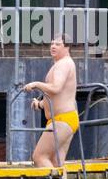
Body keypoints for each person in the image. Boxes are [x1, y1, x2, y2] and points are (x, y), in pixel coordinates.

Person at [23, 35, 78, 168]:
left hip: (62, 120)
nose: (53, 46)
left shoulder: (63, 64)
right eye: (52, 43)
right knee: (56, 163)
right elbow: (58, 95)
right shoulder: (63, 63)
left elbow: (56, 88)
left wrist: (36, 84)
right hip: (65, 119)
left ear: (67, 47)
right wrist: (41, 104)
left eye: (58, 44)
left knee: (39, 157)